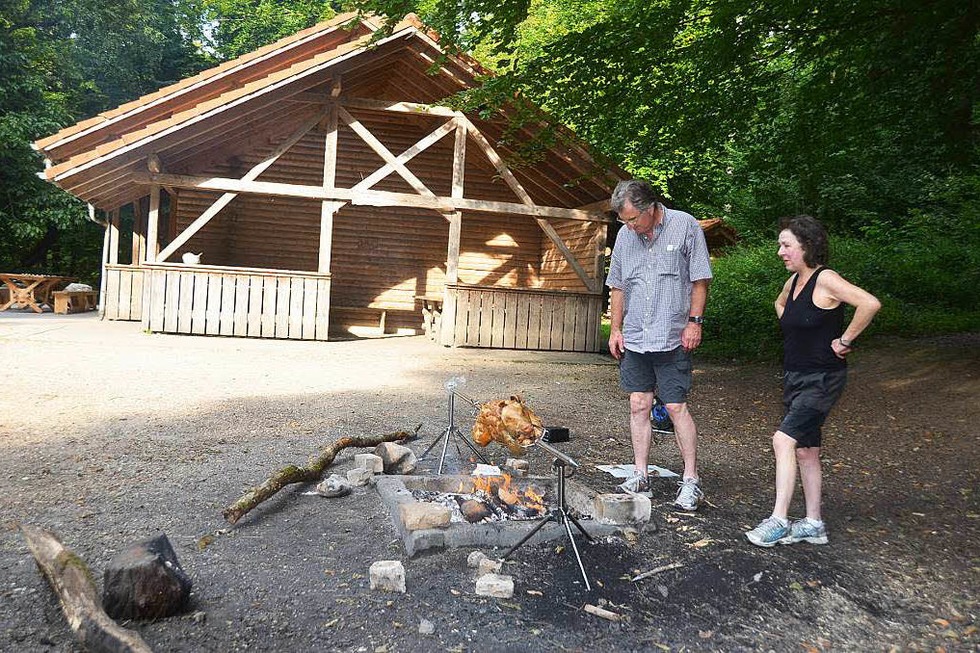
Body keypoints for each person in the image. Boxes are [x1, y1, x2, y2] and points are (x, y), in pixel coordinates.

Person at [745, 215, 881, 547]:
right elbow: (779, 304)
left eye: (786, 245)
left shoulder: (826, 279)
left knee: (783, 441)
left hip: (823, 377)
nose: (780, 252)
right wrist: (794, 324)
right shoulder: (793, 282)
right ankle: (813, 524)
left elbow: (869, 303)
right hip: (795, 376)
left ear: (807, 246)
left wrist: (845, 340)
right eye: (780, 245)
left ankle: (778, 520)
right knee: (806, 450)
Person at [606, 180, 713, 510]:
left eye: (632, 219)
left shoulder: (685, 225)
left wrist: (695, 323)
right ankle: (640, 475)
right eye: (624, 220)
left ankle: (691, 480)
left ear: (650, 207)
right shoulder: (625, 236)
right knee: (638, 404)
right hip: (636, 335)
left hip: (672, 335)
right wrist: (615, 329)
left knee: (675, 406)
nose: (629, 226)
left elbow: (700, 280)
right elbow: (618, 286)